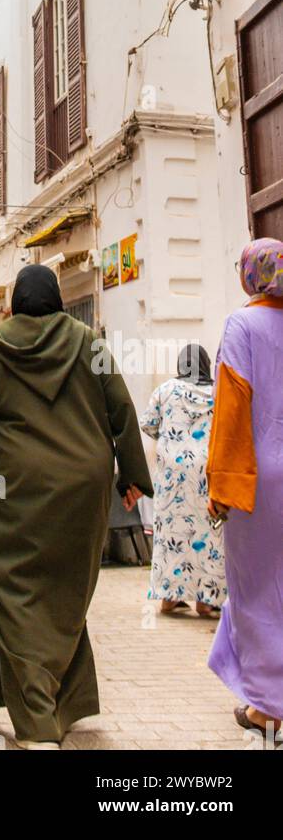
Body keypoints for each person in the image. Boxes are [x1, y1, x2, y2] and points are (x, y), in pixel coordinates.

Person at [0, 264, 152, 749]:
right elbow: (121, 408)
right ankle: (64, 703)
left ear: (15, 301)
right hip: (84, 490)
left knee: (16, 593)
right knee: (66, 593)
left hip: (14, 489)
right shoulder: (89, 344)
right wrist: (133, 477)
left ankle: (36, 724)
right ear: (55, 298)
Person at [207, 238, 283, 740]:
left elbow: (231, 411)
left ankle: (268, 705)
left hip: (259, 480)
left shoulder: (242, 325)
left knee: (255, 593)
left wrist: (222, 486)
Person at [140, 344, 225, 618]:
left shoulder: (166, 391)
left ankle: (169, 598)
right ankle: (207, 601)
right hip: (209, 472)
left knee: (173, 533)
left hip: (172, 473)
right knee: (210, 535)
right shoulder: (218, 391)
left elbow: (148, 424)